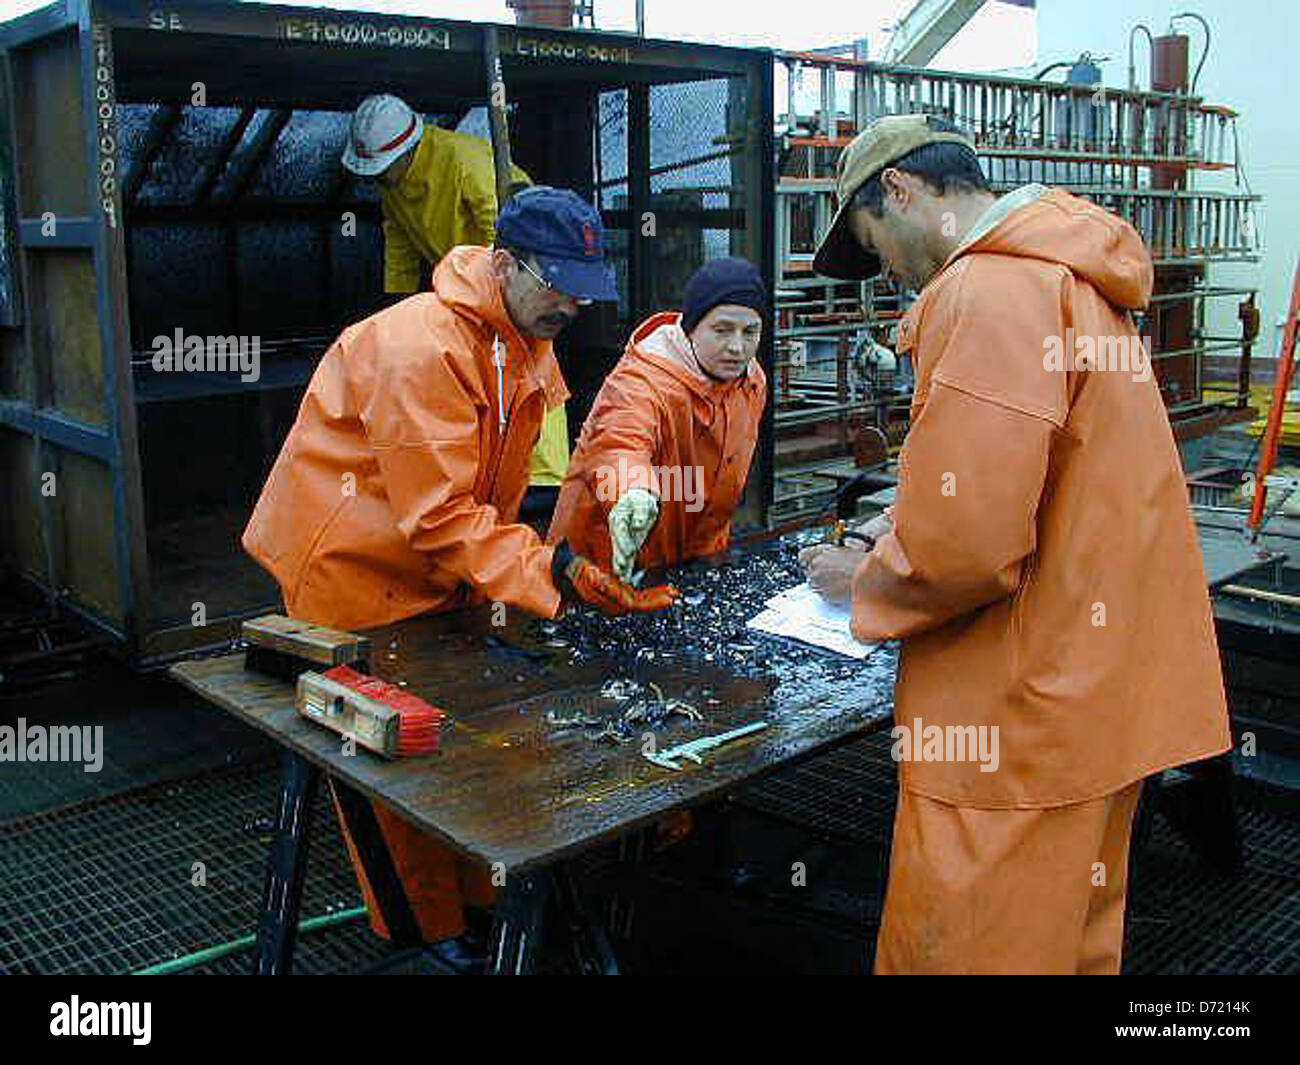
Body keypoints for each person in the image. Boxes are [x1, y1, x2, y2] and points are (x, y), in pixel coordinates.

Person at [802, 113, 1231, 974]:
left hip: (1014, 723)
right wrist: (916, 511)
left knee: (969, 950)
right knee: (1067, 945)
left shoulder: (986, 291)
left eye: (872, 238)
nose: (884, 267)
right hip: (1098, 702)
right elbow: (1054, 484)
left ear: (901, 190)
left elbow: (966, 547)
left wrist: (865, 577)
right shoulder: (1071, 277)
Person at [243, 186, 675, 962]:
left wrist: (559, 554)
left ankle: (481, 898)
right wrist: (552, 567)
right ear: (507, 264)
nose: (573, 307)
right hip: (348, 571)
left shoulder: (525, 333)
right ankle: (427, 930)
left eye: (586, 291)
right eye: (561, 287)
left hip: (437, 564)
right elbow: (440, 513)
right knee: (391, 758)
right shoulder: (419, 346)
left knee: (468, 748)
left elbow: (487, 492)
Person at [341, 93, 570, 506]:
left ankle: (547, 482)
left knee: (532, 366)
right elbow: (400, 241)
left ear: (408, 150)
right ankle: (493, 472)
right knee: (481, 378)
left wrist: (499, 291)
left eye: (380, 169)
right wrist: (395, 305)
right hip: (468, 283)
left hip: (519, 274)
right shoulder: (395, 185)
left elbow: (502, 224)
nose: (376, 178)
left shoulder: (465, 163)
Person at [549, 258, 768, 581]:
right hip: (604, 564)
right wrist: (631, 489)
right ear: (690, 328)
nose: (737, 347)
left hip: (690, 561)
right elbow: (618, 441)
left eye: (750, 332)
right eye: (722, 330)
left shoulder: (752, 381)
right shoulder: (642, 380)